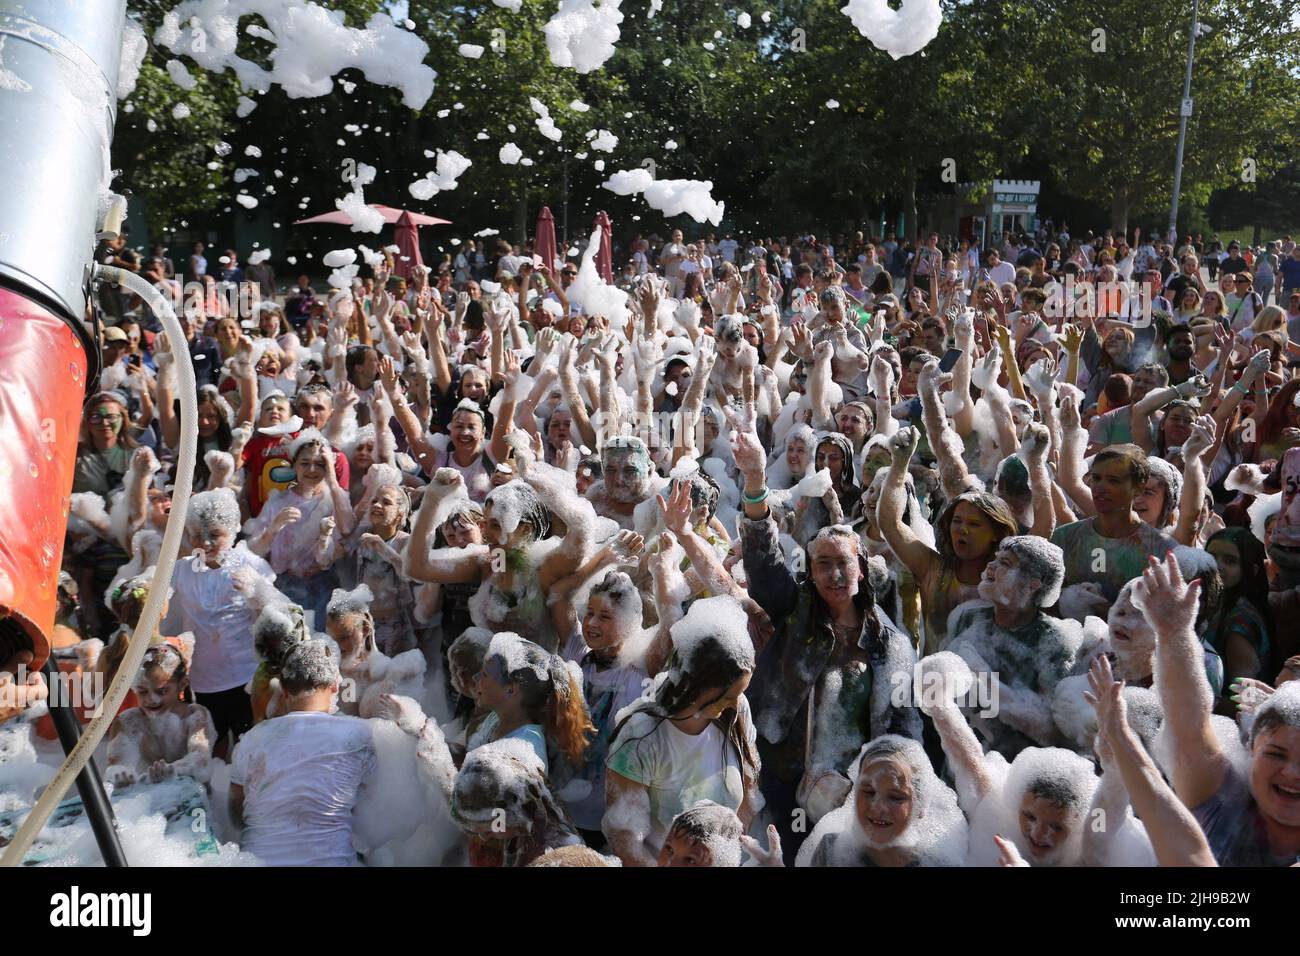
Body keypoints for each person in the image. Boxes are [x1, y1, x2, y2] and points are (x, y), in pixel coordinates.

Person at [603, 597, 760, 866]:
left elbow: (748, 798)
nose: (736, 702)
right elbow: (626, 845)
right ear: (699, 682)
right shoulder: (640, 739)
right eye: (728, 693)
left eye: (741, 693)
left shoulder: (735, 712)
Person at [229, 639, 376, 866]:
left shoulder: (251, 739)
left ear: (284, 691)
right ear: (335, 686)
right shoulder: (357, 735)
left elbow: (236, 813)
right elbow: (374, 804)